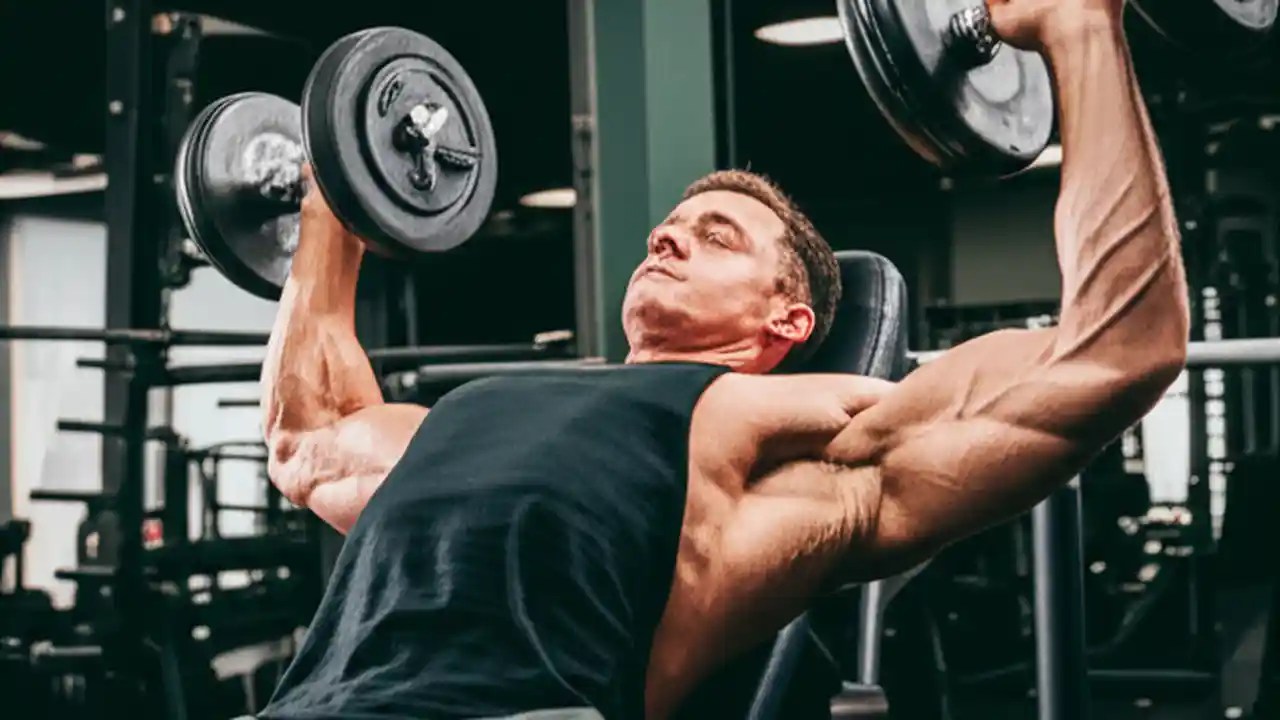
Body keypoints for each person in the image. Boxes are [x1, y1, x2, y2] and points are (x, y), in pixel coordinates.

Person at [257, 1, 1189, 718]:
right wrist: (330, 201)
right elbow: (309, 437)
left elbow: (1113, 354)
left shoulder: (795, 442)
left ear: (787, 317)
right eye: (668, 228)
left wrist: (1079, 30)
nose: (665, 238)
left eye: (716, 237)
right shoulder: (471, 415)